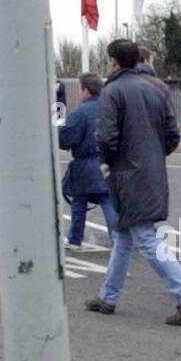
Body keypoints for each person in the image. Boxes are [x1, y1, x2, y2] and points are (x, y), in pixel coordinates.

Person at [86, 39, 181, 326]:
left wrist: (109, 165)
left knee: (145, 238)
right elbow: (172, 135)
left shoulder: (112, 91)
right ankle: (108, 296)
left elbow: (106, 138)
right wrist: (151, 155)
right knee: (125, 236)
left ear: (113, 61)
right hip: (151, 172)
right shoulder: (157, 88)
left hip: (127, 175)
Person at [58, 72, 116, 251]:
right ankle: (118, 238)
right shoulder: (112, 110)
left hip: (85, 164)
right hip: (109, 162)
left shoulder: (80, 112)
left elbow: (65, 139)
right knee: (108, 200)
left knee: (79, 201)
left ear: (86, 91)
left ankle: (75, 239)